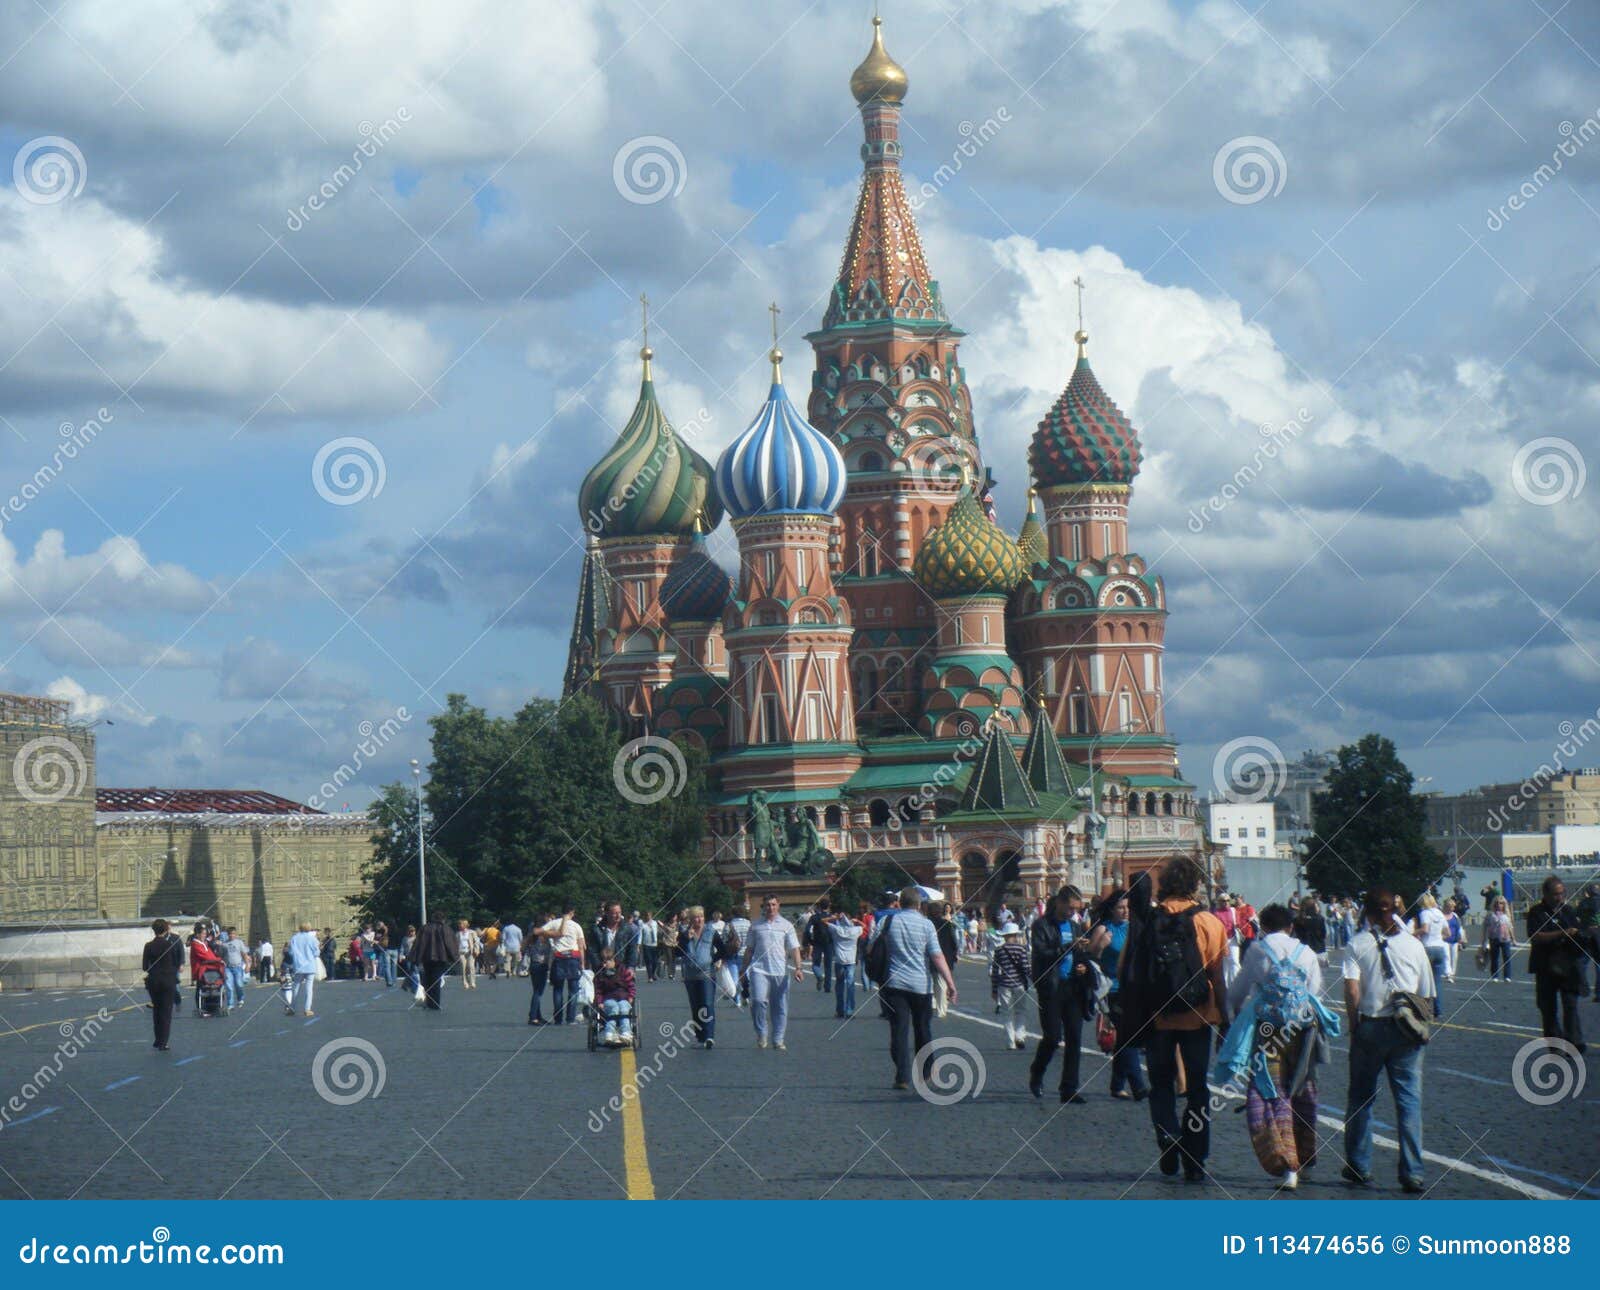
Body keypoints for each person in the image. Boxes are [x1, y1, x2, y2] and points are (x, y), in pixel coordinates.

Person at [1123, 859, 1229, 1183]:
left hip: (1158, 1016)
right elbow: (1218, 977)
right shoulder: (1210, 922)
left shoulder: (1148, 921)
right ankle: (1195, 1159)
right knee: (1197, 1088)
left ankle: (1168, 1134)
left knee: (1161, 1085)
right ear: (1195, 885)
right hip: (1199, 1017)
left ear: (1165, 883)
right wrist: (1225, 1019)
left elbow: (1126, 971)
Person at [1222, 904, 1331, 1190]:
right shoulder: (1306, 953)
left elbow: (1238, 991)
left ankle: (1287, 1166)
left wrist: (1232, 1018)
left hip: (1268, 1031)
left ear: (1264, 927)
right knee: (1304, 1089)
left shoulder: (1257, 951)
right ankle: (1306, 1158)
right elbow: (1315, 992)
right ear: (1291, 927)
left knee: (1273, 1091)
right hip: (1302, 1032)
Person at [1341, 887, 1434, 1192]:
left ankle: (1358, 1165)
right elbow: (1426, 994)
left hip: (1370, 1025)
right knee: (1409, 1101)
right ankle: (1412, 1172)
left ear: (1366, 913)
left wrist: (1354, 1027)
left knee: (1361, 1100)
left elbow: (1352, 991)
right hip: (1405, 1031)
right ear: (1395, 911)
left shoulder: (1357, 944)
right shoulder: (1414, 945)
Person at [871, 887, 958, 1090]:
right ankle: (926, 1070)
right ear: (920, 905)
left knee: (899, 1030)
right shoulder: (926, 925)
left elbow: (870, 947)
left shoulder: (888, 921)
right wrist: (950, 983)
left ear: (899, 903)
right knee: (922, 1028)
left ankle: (902, 1076)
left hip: (894, 984)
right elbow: (936, 955)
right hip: (921, 985)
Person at [1027, 886, 1093, 1104]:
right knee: (1053, 1037)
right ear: (1060, 902)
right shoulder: (1041, 926)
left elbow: (1080, 956)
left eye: (1076, 909)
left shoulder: (1074, 926)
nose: (1072, 912)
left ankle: (1069, 1088)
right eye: (1070, 907)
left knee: (1074, 1038)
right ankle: (1037, 1071)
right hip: (1050, 987)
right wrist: (1067, 947)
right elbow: (1043, 955)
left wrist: (1082, 965)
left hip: (1072, 987)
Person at [1093, 891, 1146, 1099]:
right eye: (1120, 907)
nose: (1125, 911)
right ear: (1112, 909)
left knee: (1124, 1038)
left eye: (1127, 907)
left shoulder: (1134, 929)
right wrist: (1100, 946)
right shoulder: (1103, 929)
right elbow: (1091, 958)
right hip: (1111, 990)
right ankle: (1139, 1086)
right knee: (1128, 1037)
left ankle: (1117, 1085)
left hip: (1131, 988)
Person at [1526, 876, 1586, 1053]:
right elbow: (1535, 936)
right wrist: (1561, 933)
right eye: (1555, 894)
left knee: (1571, 1003)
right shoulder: (1536, 912)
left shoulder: (1568, 911)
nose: (1559, 897)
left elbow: (1577, 932)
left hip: (1567, 965)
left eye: (1562, 893)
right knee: (1547, 1007)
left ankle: (1574, 1040)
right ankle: (1555, 1045)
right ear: (1545, 894)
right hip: (1545, 966)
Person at [742, 895, 803, 1049]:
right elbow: (749, 949)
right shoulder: (755, 925)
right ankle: (762, 1034)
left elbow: (794, 948)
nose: (771, 908)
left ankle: (778, 1039)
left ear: (778, 906)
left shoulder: (787, 925)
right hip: (759, 969)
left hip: (780, 970)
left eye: (773, 904)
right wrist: (743, 968)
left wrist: (798, 968)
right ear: (763, 907)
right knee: (758, 1001)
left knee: (780, 1006)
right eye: (768, 905)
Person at [677, 905, 728, 1048]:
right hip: (690, 976)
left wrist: (713, 959)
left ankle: (709, 1036)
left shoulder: (711, 932)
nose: (698, 920)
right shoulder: (685, 933)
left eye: (701, 916)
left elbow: (723, 950)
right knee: (696, 1007)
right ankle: (700, 1038)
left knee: (707, 1004)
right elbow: (677, 953)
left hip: (707, 974)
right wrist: (686, 939)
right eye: (695, 918)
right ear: (691, 920)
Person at [533, 905, 586, 1024]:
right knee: (573, 990)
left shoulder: (554, 923)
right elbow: (581, 946)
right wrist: (582, 963)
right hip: (573, 956)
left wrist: (550, 936)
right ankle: (570, 1018)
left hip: (559, 957)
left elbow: (540, 932)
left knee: (558, 989)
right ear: (572, 912)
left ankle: (558, 1018)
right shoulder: (576, 925)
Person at [142, 918, 183, 1051]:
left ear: (153, 930)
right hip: (168, 981)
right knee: (166, 1012)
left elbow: (144, 967)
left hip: (153, 981)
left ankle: (157, 1039)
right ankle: (163, 1042)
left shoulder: (148, 946)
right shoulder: (169, 945)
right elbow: (176, 963)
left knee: (157, 1011)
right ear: (166, 930)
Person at [989, 922, 1030, 1050]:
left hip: (1004, 984)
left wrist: (994, 989)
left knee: (1006, 1013)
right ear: (1016, 935)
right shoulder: (1021, 949)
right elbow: (1026, 968)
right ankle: (1020, 1036)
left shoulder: (999, 950)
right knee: (1020, 1011)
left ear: (1005, 936)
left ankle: (1010, 1042)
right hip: (1019, 984)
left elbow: (995, 971)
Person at [1410, 893, 1449, 1018]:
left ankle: (1422, 1008)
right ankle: (1439, 1010)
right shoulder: (1439, 913)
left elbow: (1425, 929)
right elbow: (1448, 933)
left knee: (1423, 980)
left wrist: (1412, 934)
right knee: (1437, 981)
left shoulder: (1425, 913)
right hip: (1440, 948)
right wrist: (1438, 937)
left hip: (1428, 947)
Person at [412, 912, 458, 1010]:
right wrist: (454, 957)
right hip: (441, 958)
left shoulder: (425, 928)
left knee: (428, 980)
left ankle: (430, 1002)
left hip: (427, 958)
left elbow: (418, 944)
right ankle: (435, 1003)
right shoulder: (446, 928)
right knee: (436, 980)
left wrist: (415, 958)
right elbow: (450, 944)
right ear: (443, 919)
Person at [594, 949, 636, 1046]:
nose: (604, 965)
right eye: (603, 962)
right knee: (614, 1008)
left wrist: (631, 996)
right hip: (608, 998)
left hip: (623, 997)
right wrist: (599, 1001)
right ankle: (609, 1033)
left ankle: (626, 1033)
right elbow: (598, 990)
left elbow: (631, 985)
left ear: (613, 960)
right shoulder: (600, 973)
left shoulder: (623, 970)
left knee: (623, 1008)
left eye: (606, 962)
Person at [827, 907, 863, 1018]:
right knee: (850, 985)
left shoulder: (837, 929)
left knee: (839, 985)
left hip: (839, 960)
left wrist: (835, 917)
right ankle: (849, 1010)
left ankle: (840, 1010)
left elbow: (823, 921)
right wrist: (857, 921)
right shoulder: (855, 930)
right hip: (851, 960)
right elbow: (865, 927)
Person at [929, 901, 960, 1019]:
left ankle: (934, 1003)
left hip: (930, 956)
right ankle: (941, 1009)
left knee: (932, 981)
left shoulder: (927, 924)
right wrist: (955, 953)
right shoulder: (947, 924)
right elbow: (953, 940)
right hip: (946, 955)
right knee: (941, 982)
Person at [286, 922, 322, 1017]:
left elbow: (290, 952)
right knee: (309, 988)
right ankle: (307, 1009)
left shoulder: (294, 938)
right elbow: (317, 953)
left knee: (296, 987)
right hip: (310, 965)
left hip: (298, 966)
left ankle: (292, 1008)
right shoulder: (312, 939)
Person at [524, 913, 552, 1024]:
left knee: (536, 990)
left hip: (533, 964)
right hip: (541, 964)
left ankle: (537, 1015)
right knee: (538, 992)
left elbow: (525, 947)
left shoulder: (532, 934)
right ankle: (533, 1016)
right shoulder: (544, 936)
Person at [804, 898, 834, 992]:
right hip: (829, 943)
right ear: (828, 906)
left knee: (815, 963)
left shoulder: (814, 917)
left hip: (817, 943)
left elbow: (807, 930)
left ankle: (819, 975)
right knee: (828, 966)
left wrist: (809, 940)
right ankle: (828, 987)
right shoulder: (832, 918)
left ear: (819, 906)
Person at [1482, 895, 1514, 981]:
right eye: (1497, 903)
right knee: (1494, 957)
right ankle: (1495, 975)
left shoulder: (1507, 915)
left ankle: (1507, 976)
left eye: (1501, 903)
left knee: (1507, 957)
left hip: (1505, 938)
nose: (1499, 905)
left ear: (1504, 905)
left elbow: (1510, 927)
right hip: (1494, 938)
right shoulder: (1490, 914)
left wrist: (1513, 939)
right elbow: (1485, 927)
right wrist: (1484, 940)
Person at [220, 925, 248, 1012]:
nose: (231, 935)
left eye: (233, 934)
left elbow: (244, 954)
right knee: (229, 986)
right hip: (228, 968)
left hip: (238, 967)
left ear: (235, 934)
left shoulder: (239, 942)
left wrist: (247, 965)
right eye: (230, 934)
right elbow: (221, 956)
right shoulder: (224, 944)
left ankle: (240, 998)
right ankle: (230, 1004)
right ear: (228, 934)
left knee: (239, 984)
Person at [637, 912, 658, 981]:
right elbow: (640, 935)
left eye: (649, 916)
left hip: (654, 944)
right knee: (648, 961)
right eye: (646, 916)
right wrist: (638, 945)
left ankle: (652, 973)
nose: (648, 917)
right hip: (646, 944)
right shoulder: (643, 924)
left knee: (655, 961)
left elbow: (658, 932)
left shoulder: (655, 923)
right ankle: (650, 977)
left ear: (651, 916)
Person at [657, 912, 678, 982]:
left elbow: (678, 933)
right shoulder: (666, 924)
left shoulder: (677, 924)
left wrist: (676, 939)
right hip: (667, 943)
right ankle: (670, 973)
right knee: (670, 958)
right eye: (675, 916)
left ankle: (673, 973)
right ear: (672, 917)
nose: (676, 918)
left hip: (675, 944)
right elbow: (662, 932)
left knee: (674, 959)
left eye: (676, 917)